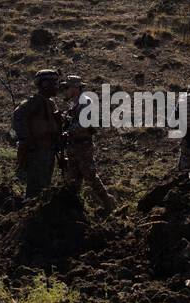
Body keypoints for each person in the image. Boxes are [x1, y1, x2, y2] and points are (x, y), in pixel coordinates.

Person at [58, 76, 115, 211]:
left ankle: (107, 200)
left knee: (89, 175)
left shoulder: (86, 102)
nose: (65, 90)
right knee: (73, 178)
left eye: (68, 87)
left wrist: (68, 131)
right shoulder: (75, 103)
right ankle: (74, 208)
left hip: (83, 145)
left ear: (76, 88)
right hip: (73, 145)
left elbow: (86, 123)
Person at [12, 70, 63, 197]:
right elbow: (17, 116)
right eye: (53, 83)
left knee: (45, 186)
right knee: (35, 188)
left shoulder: (51, 104)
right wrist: (26, 139)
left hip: (49, 150)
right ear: (44, 84)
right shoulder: (34, 102)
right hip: (37, 151)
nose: (56, 86)